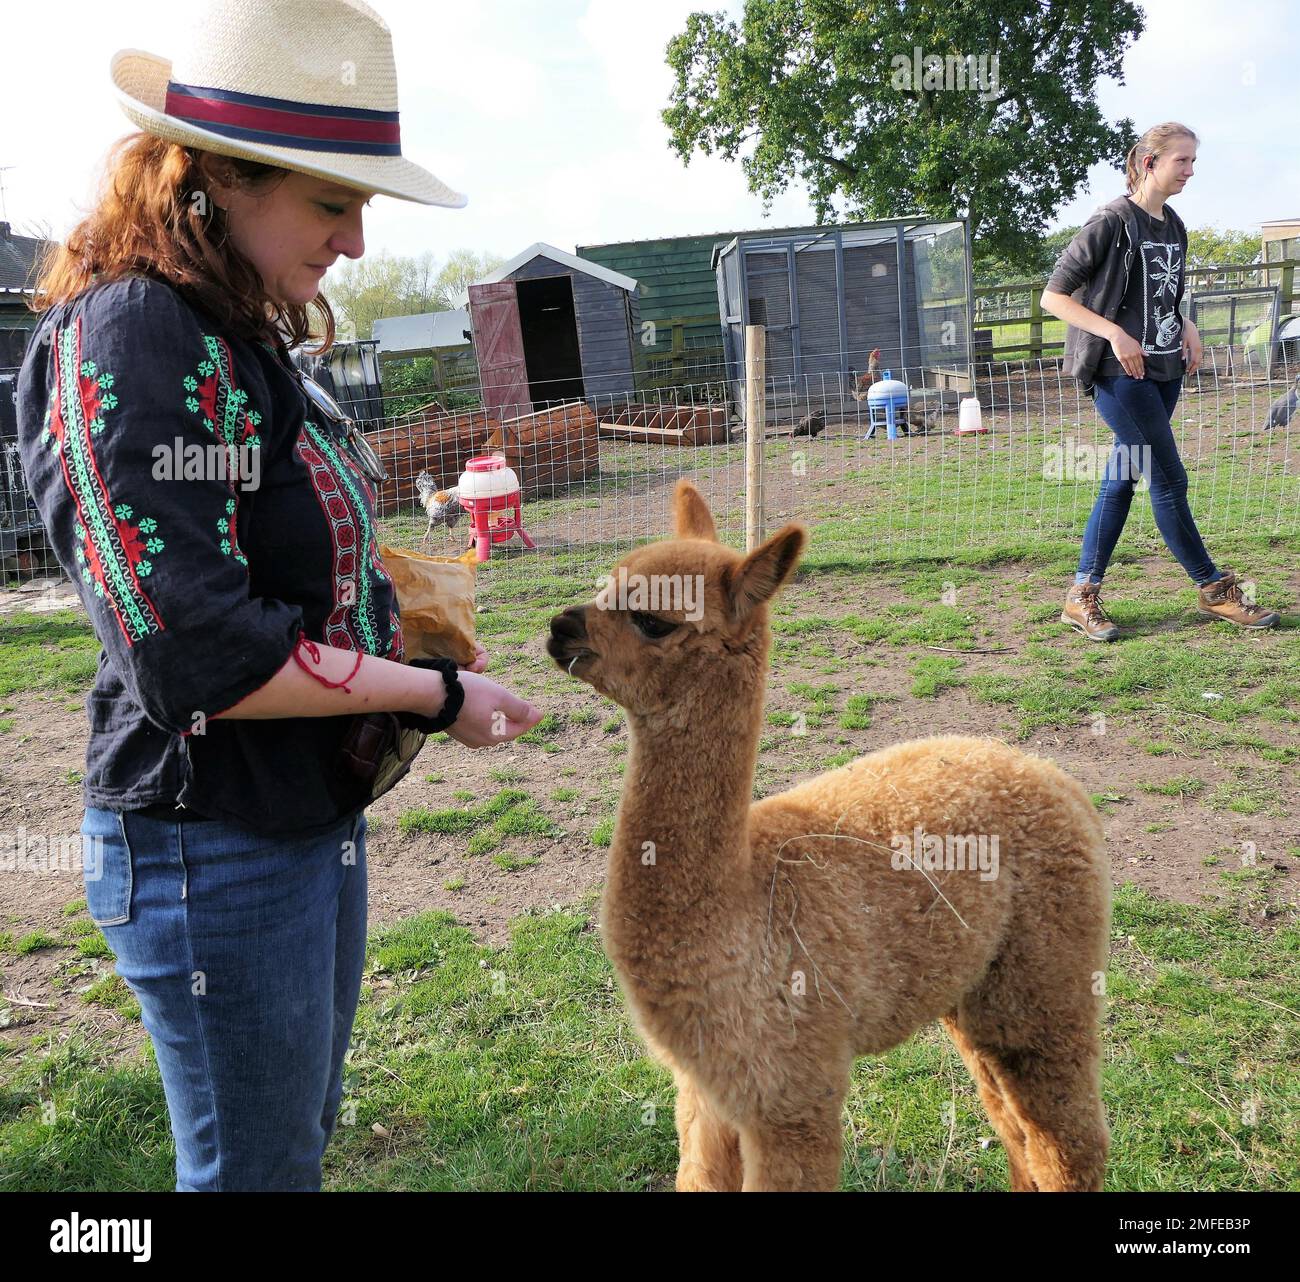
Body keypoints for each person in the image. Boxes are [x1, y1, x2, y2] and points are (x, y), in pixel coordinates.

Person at [16, 0, 542, 1191]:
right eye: (330, 201)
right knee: (253, 1176)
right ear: (212, 183)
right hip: (211, 840)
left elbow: (267, 560)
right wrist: (437, 690)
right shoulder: (133, 334)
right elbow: (196, 651)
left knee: (282, 1152)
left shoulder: (229, 333)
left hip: (296, 816)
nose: (357, 240)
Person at [1041, 120, 1279, 641]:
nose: (1190, 171)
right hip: (1117, 373)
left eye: (1194, 162)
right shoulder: (1110, 221)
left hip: (1166, 369)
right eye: (1182, 161)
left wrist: (1188, 324)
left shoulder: (1172, 224)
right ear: (1149, 162)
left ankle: (1081, 596)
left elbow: (1163, 295)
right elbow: (1053, 297)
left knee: (1123, 477)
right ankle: (1213, 588)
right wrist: (1115, 335)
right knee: (1169, 478)